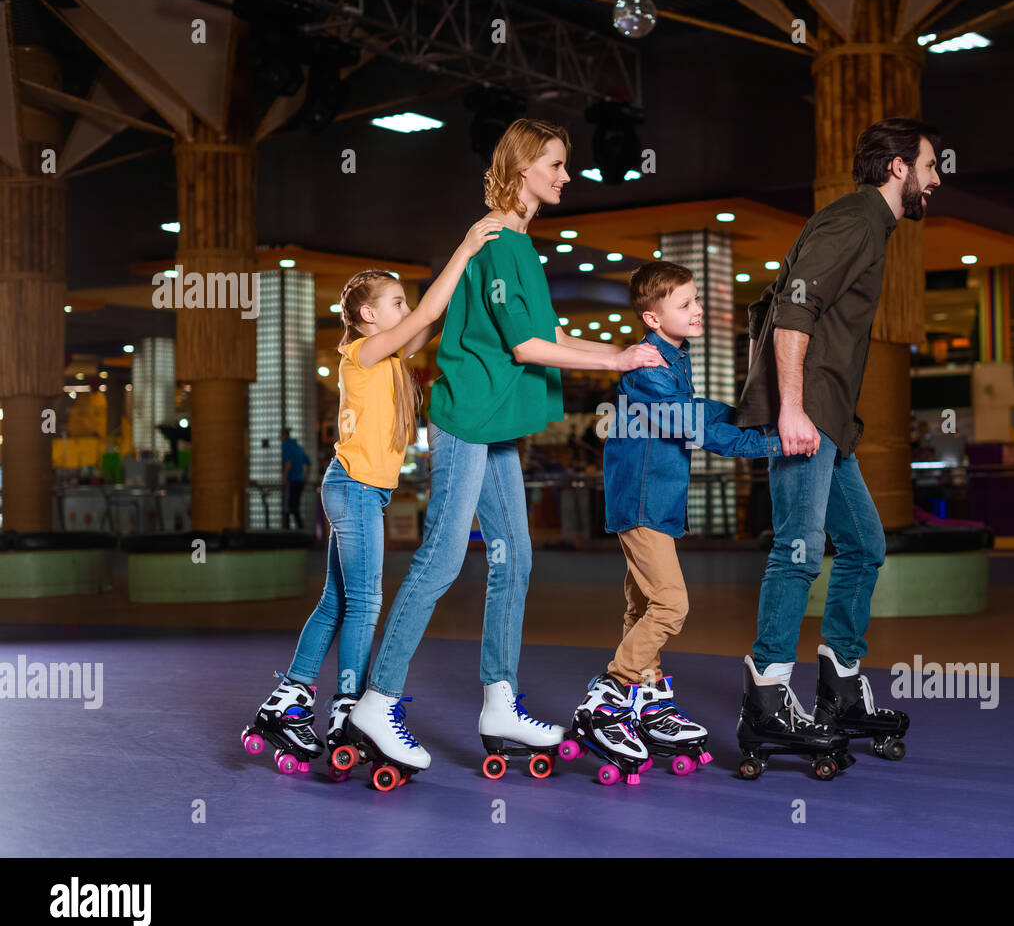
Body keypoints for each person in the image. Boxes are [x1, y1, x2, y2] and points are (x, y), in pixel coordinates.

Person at [346, 118, 664, 782]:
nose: (566, 175)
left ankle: (498, 704)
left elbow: (538, 336)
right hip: (467, 420)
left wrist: (614, 354)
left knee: (515, 558)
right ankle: (376, 703)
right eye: (555, 163)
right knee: (440, 559)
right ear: (524, 168)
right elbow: (527, 347)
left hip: (495, 425)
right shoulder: (497, 243)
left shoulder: (516, 242)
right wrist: (618, 356)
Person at [241, 220, 503, 778]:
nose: (405, 308)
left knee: (336, 602)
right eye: (395, 302)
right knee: (365, 604)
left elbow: (429, 320)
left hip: (358, 491)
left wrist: (473, 273)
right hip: (355, 490)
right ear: (368, 316)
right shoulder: (361, 354)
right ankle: (347, 710)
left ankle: (287, 703)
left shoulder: (388, 360)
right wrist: (466, 247)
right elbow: (427, 314)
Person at [734, 117, 940, 771]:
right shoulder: (853, 220)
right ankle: (765, 702)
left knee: (865, 545)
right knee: (797, 552)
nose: (937, 179)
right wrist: (792, 409)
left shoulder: (870, 228)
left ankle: (840, 685)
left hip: (830, 420)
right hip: (806, 415)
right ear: (900, 168)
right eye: (931, 166)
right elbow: (794, 309)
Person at [564, 261, 783, 785]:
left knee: (641, 605)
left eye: (696, 300)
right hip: (641, 504)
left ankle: (647, 698)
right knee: (670, 604)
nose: (698, 309)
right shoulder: (645, 368)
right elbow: (693, 428)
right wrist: (771, 441)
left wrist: (754, 419)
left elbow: (701, 411)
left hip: (657, 503)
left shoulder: (673, 360)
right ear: (652, 317)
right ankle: (611, 693)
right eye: (685, 304)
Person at [280, 428, 311, 528]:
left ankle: (287, 532)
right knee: (295, 505)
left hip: (292, 480)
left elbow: (288, 462)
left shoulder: (286, 445)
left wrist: (284, 477)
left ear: (284, 435)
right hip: (300, 481)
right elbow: (308, 463)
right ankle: (300, 528)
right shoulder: (297, 447)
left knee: (288, 507)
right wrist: (306, 478)